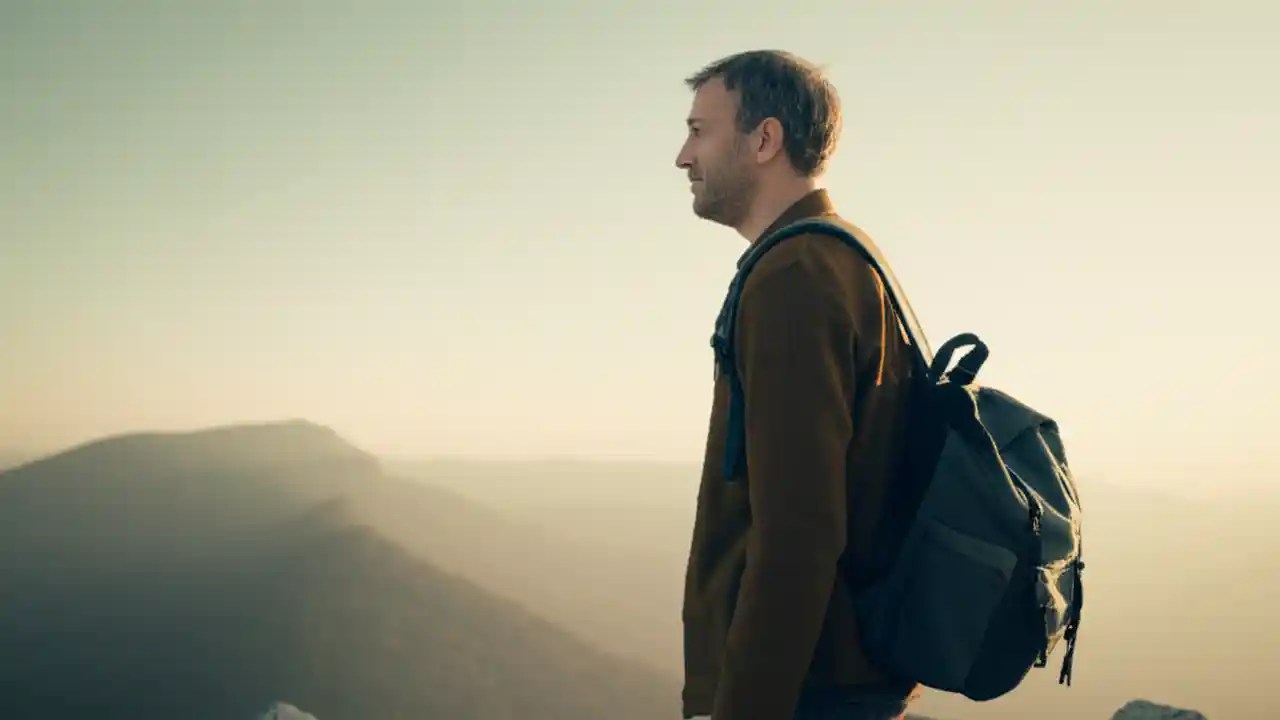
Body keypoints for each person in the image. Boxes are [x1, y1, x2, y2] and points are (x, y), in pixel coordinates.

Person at [675, 50, 923, 720]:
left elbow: (798, 533)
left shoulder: (794, 278)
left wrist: (743, 708)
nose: (682, 156)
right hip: (838, 683)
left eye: (700, 130)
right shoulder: (844, 257)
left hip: (808, 696)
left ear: (764, 139)